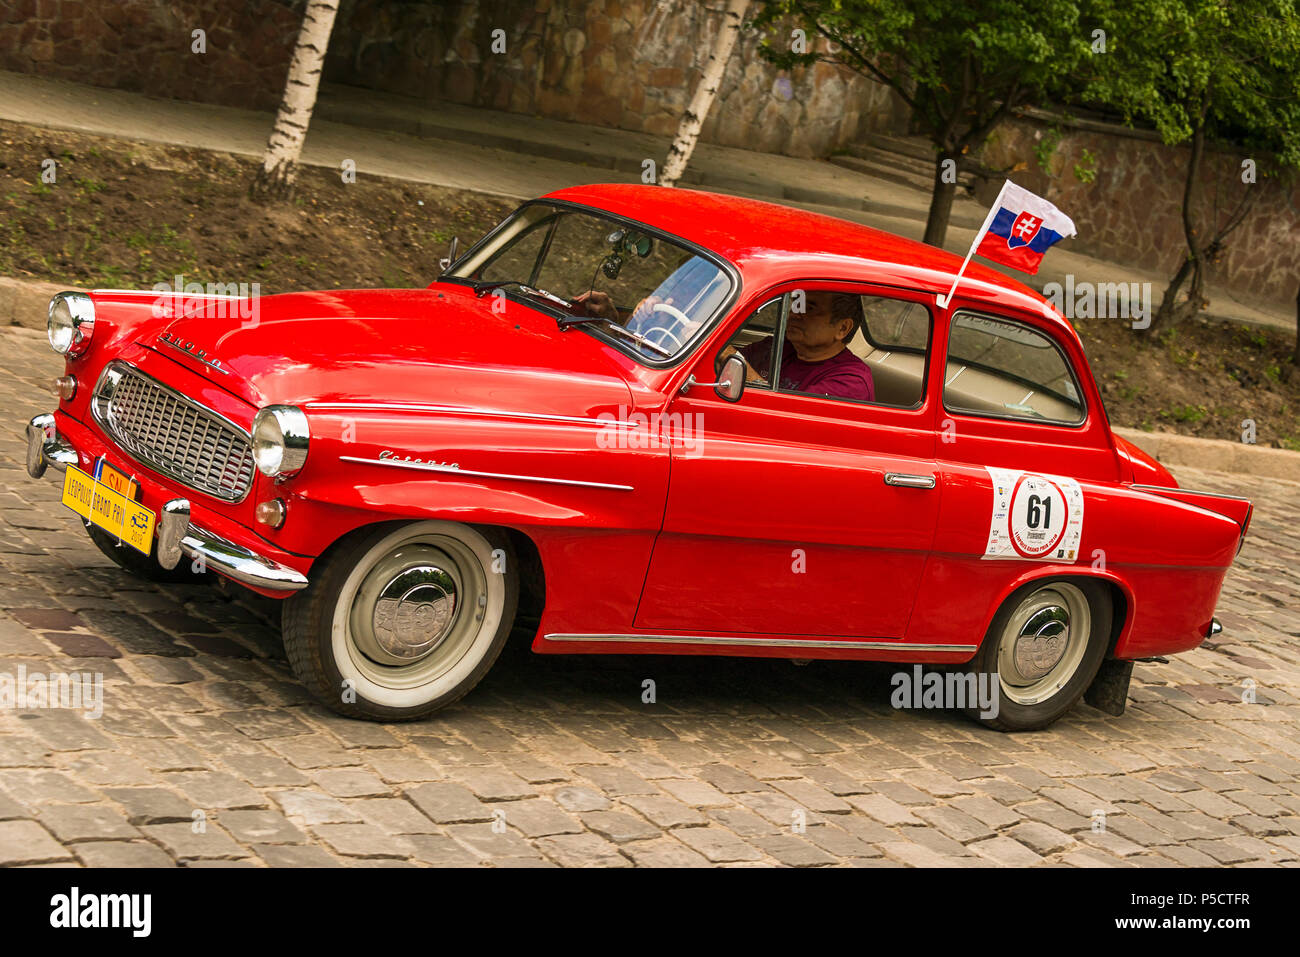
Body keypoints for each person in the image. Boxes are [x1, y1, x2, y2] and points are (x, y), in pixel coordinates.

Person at [726, 292, 874, 402]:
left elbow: (781, 416)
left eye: (809, 308)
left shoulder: (850, 382)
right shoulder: (777, 347)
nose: (794, 314)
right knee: (701, 421)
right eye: (796, 304)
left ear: (842, 328)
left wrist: (730, 357)